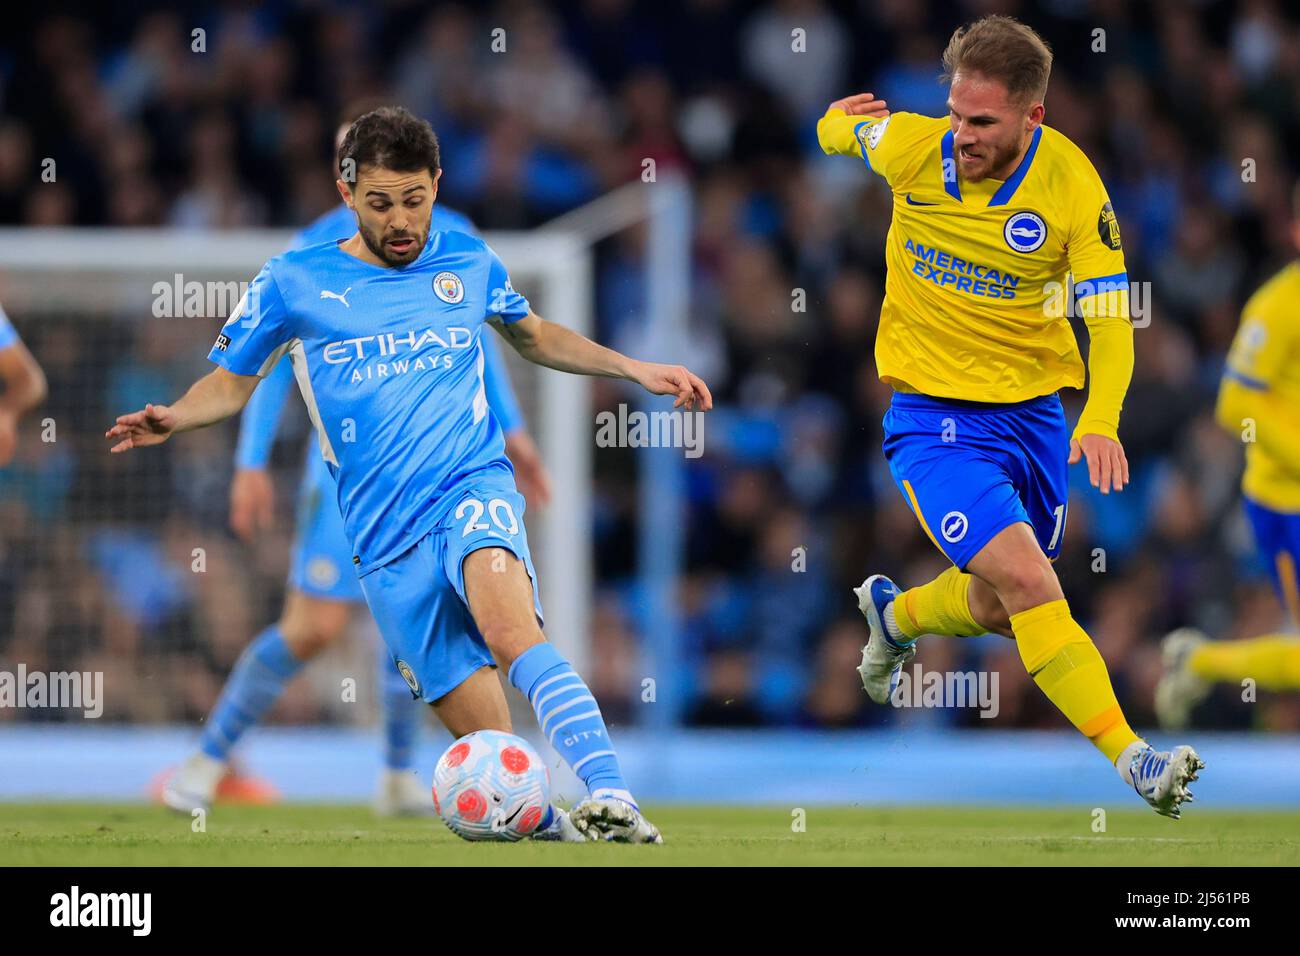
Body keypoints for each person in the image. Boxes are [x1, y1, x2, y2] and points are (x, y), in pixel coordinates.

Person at [109, 106, 711, 842]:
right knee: (504, 774)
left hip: (470, 490)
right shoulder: (294, 280)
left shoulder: (467, 260)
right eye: (381, 203)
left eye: (415, 200)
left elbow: (531, 336)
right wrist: (175, 416)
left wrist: (632, 368)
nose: (401, 221)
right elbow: (232, 382)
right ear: (346, 192)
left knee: (508, 626)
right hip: (383, 539)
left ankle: (614, 791)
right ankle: (571, 830)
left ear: (437, 185)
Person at [817, 15, 1202, 817]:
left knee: (1000, 604)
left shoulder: (1073, 188)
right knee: (1031, 582)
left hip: (1032, 421)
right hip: (935, 422)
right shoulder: (911, 147)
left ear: (1035, 116)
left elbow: (1108, 321)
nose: (962, 134)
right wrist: (835, 121)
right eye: (956, 113)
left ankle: (897, 613)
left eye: (982, 122)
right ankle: (1135, 762)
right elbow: (837, 132)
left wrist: (1101, 417)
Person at [160, 112, 551, 818]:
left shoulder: (452, 235)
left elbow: (482, 340)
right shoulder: (313, 252)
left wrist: (514, 431)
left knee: (433, 607)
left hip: (447, 457)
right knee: (314, 626)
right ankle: (207, 760)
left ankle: (400, 773)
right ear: (345, 180)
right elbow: (268, 361)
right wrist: (249, 461)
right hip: (351, 476)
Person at [1156, 182, 1300, 728]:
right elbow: (1234, 401)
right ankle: (1202, 661)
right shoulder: (1279, 305)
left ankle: (1200, 660)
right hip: (1287, 504)